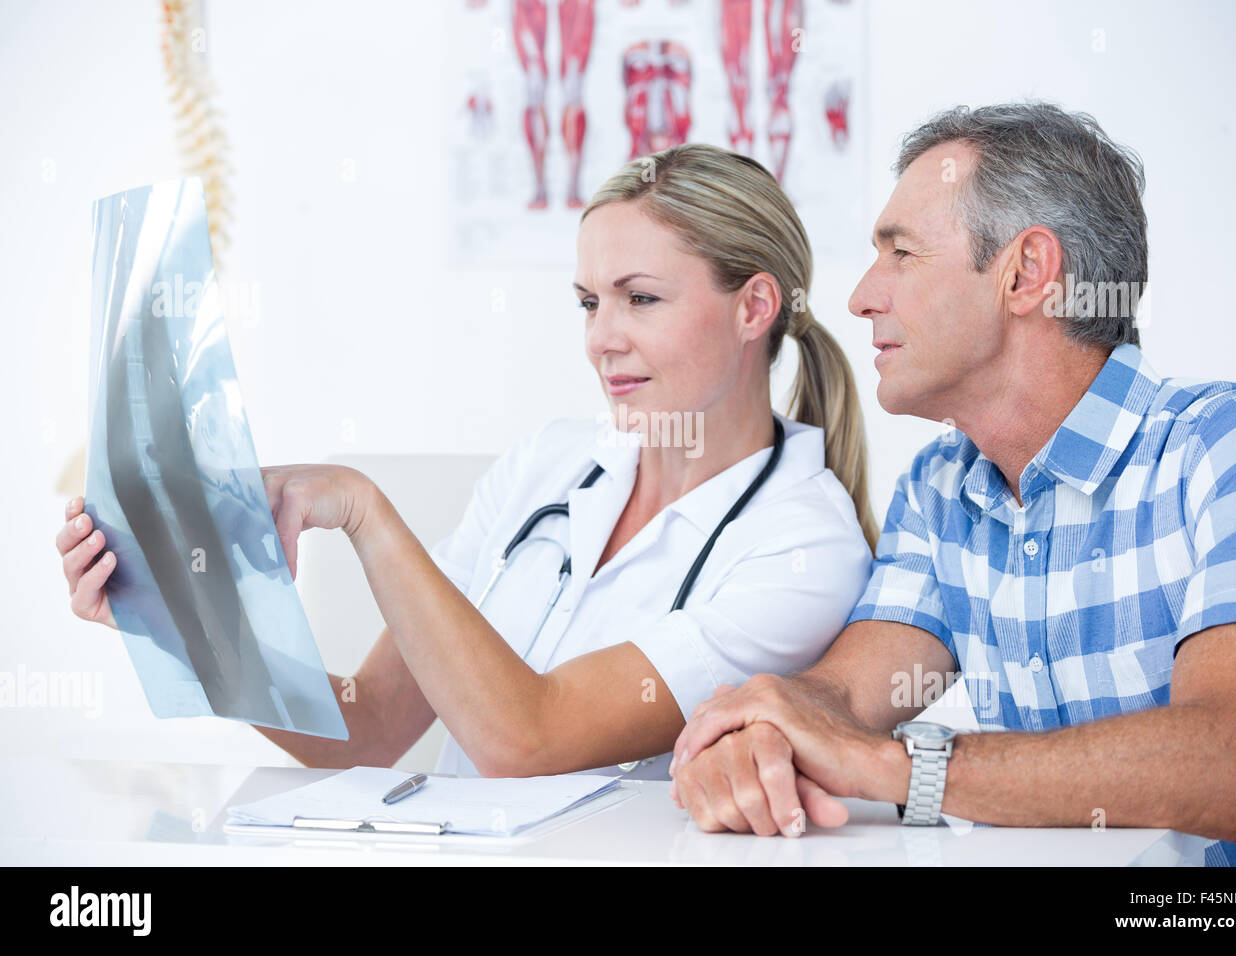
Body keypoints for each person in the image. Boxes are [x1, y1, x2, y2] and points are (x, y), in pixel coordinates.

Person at [57, 143, 878, 781]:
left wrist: (364, 510)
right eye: (590, 303)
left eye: (642, 298)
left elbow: (529, 737)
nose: (602, 340)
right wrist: (187, 619)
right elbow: (371, 727)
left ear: (756, 307)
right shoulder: (552, 463)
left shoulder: (805, 546)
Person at [670, 103, 1236, 866]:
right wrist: (764, 732)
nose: (862, 296)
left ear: (1026, 273)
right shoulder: (940, 488)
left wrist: (898, 769)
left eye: (901, 253)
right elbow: (846, 697)